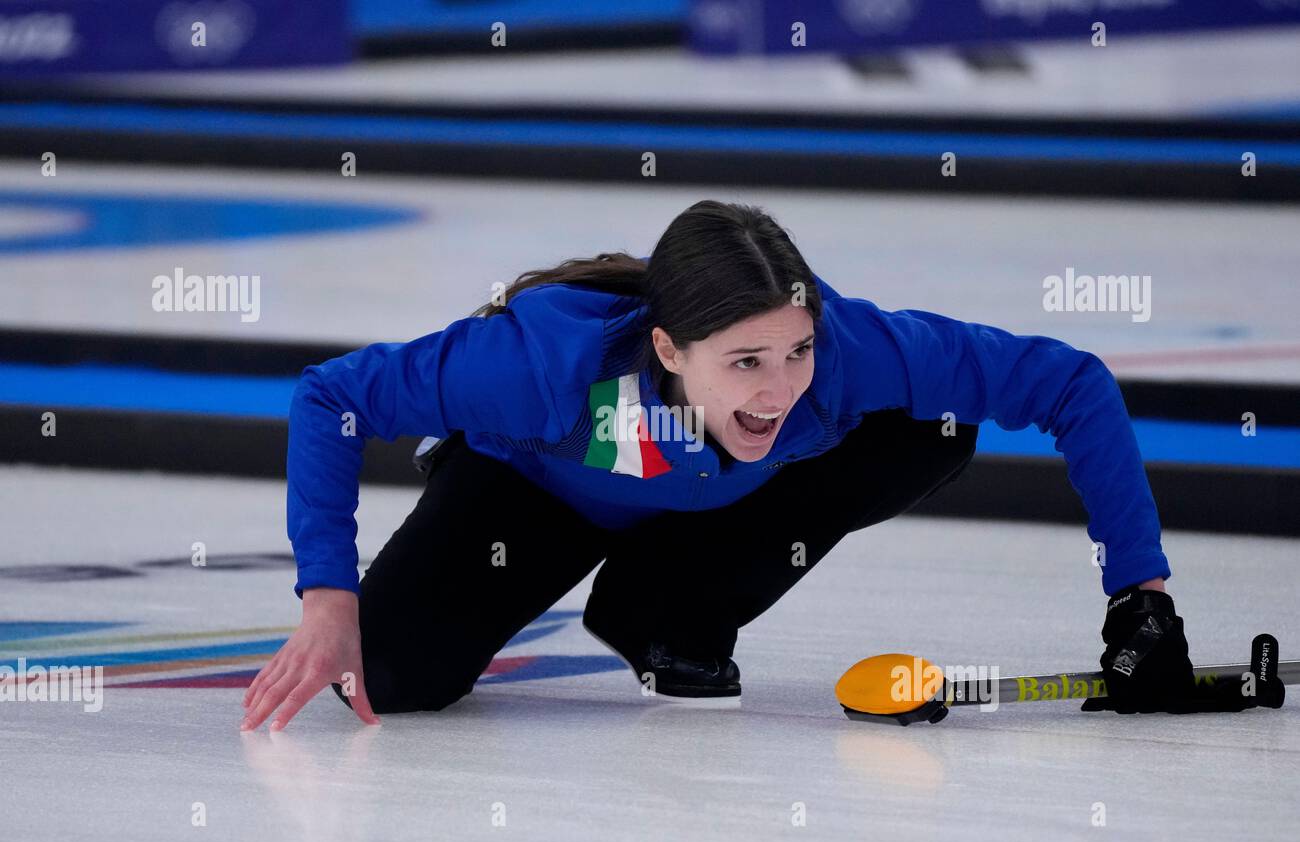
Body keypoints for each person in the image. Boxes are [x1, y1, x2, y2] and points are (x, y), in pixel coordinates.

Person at [241, 199, 1197, 733]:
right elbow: (332, 397)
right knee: (396, 676)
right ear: (666, 348)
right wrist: (328, 598)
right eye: (746, 362)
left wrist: (1139, 595)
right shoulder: (538, 367)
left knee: (934, 423)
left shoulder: (851, 354)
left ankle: (660, 612)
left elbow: (1072, 383)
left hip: (716, 508)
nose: (780, 390)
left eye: (797, 350)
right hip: (534, 495)